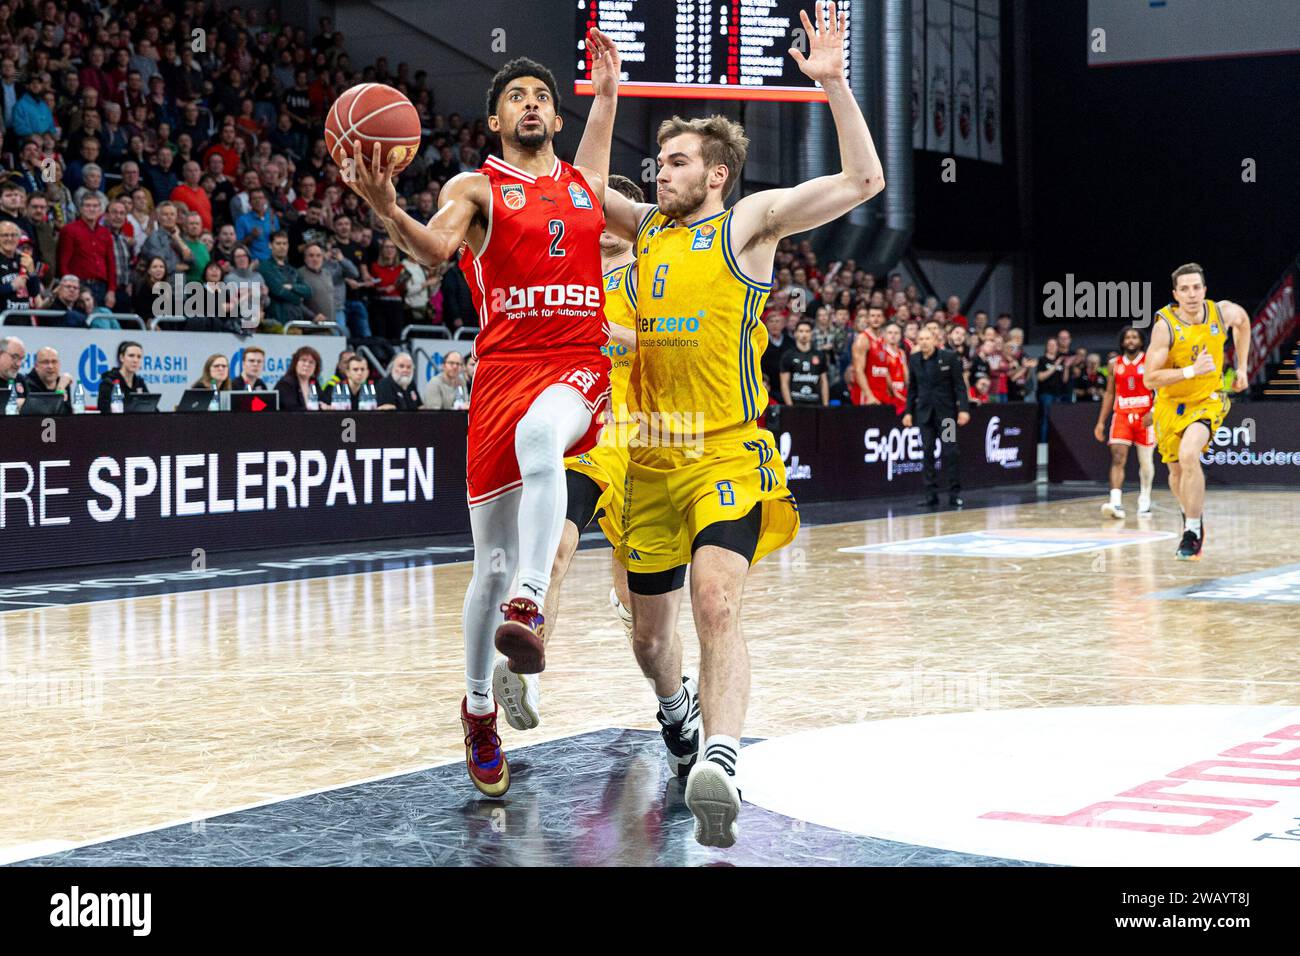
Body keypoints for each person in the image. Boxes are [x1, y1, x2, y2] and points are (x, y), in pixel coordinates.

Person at [591, 3, 882, 846]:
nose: (660, 172)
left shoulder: (747, 225)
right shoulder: (645, 229)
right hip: (648, 457)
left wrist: (834, 86)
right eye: (658, 160)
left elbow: (863, 184)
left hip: (723, 447)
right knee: (652, 642)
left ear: (716, 174)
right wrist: (606, 105)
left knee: (716, 601)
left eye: (676, 161)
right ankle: (677, 712)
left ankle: (722, 754)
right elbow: (577, 197)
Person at [347, 38, 625, 800]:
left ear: (555, 117)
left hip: (575, 362)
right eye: (517, 96)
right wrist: (388, 208)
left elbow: (599, 126)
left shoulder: (584, 183)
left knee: (544, 443)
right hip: (502, 372)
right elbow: (435, 253)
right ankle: (476, 710)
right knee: (488, 566)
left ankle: (530, 604)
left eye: (542, 95)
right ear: (497, 118)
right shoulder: (478, 186)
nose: (532, 102)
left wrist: (606, 91)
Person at [495, 174, 646, 735]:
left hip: (651, 435)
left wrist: (612, 331)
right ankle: (525, 670)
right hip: (589, 427)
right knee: (553, 548)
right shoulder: (564, 274)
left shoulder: (652, 276)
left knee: (642, 609)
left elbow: (682, 344)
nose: (602, 230)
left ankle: (673, 703)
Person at [1143, 263, 1250, 560]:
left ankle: (1191, 531)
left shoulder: (1221, 312)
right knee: (1175, 474)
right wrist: (1191, 370)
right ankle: (1193, 516)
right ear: (1175, 294)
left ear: (1205, 290)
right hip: (1169, 404)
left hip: (1207, 399)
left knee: (1191, 454)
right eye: (1185, 289)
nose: (1191, 294)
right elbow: (1149, 378)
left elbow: (1242, 322)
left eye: (1196, 287)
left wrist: (1242, 367)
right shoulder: (1164, 326)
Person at [902, 325, 971, 509]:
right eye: (921, 339)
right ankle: (930, 495)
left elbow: (960, 386)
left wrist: (963, 409)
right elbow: (912, 389)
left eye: (927, 339)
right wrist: (908, 412)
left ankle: (954, 494)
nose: (924, 342)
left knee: (951, 452)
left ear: (935, 340)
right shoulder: (915, 359)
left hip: (946, 415)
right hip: (925, 415)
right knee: (926, 453)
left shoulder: (948, 357)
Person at [1094, 326, 1155, 519]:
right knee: (1118, 457)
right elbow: (1110, 393)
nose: (1131, 340)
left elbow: (1161, 390)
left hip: (1145, 416)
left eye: (1134, 337)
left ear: (1140, 341)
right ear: (1122, 342)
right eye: (1127, 337)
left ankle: (1144, 497)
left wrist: (1153, 411)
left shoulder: (1150, 360)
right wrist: (1101, 422)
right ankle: (1116, 502)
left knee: (1145, 462)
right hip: (1122, 415)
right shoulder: (1114, 364)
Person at [780, 317, 828, 405]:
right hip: (796, 403)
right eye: (801, 331)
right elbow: (784, 383)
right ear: (795, 334)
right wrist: (790, 406)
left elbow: (824, 381)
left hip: (815, 403)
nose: (804, 334)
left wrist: (825, 405)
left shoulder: (820, 355)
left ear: (811, 334)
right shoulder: (788, 356)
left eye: (807, 331)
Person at [97, 340, 149, 411]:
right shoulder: (108, 382)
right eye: (131, 356)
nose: (135, 360)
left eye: (139, 357)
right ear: (121, 357)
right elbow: (104, 411)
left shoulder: (139, 383)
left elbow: (151, 408)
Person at [275, 345, 324, 412]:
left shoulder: (314, 383)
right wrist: (319, 408)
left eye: (311, 362)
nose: (307, 365)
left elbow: (323, 402)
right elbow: (292, 409)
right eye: (303, 360)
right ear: (295, 363)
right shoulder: (286, 384)